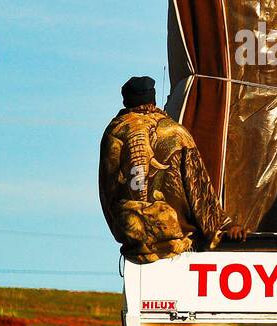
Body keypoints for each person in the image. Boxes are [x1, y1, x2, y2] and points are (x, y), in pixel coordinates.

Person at [99, 75, 247, 263]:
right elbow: (198, 190)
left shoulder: (113, 132)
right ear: (153, 99)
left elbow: (108, 190)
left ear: (125, 100)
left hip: (135, 247)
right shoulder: (176, 133)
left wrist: (123, 231)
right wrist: (223, 226)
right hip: (178, 247)